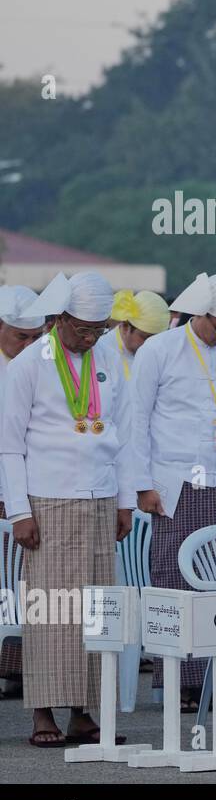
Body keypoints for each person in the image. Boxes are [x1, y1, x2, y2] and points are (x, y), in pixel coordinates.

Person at [1, 272, 137, 748]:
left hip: (100, 499)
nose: (91, 336)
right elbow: (9, 446)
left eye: (99, 328)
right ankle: (43, 712)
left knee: (96, 609)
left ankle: (84, 713)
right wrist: (19, 511)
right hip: (48, 501)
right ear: (59, 318)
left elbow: (124, 433)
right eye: (83, 327)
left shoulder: (108, 359)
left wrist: (125, 500)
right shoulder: (28, 366)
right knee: (51, 609)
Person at [132, 272, 216, 713]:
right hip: (175, 485)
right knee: (174, 579)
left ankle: (215, 677)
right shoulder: (159, 349)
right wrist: (142, 485)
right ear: (198, 312)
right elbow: (136, 421)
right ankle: (179, 682)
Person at [0, 286, 49, 699]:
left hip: (26, 495)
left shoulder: (42, 366)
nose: (30, 345)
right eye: (21, 337)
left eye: (37, 338)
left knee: (22, 587)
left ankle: (17, 673)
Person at [98, 290, 169, 380]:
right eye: (146, 337)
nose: (151, 344)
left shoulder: (160, 355)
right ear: (125, 327)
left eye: (157, 339)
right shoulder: (101, 352)